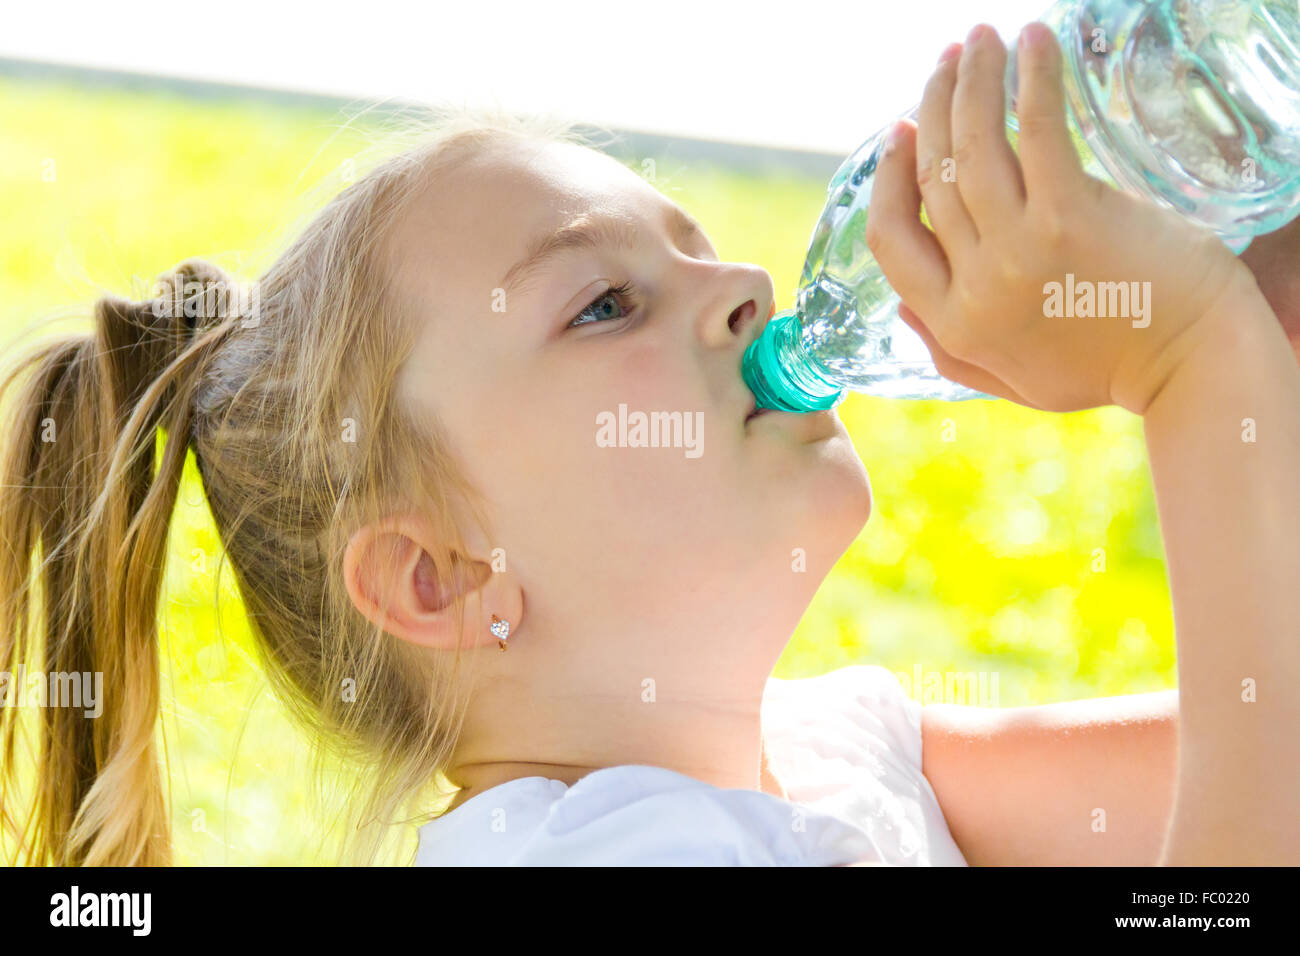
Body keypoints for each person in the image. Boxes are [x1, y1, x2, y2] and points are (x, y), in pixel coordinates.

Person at [2, 20, 1296, 866]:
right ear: (440, 578)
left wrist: (1256, 283)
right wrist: (1193, 367)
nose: (744, 282)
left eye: (693, 244)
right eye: (605, 303)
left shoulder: (842, 751)